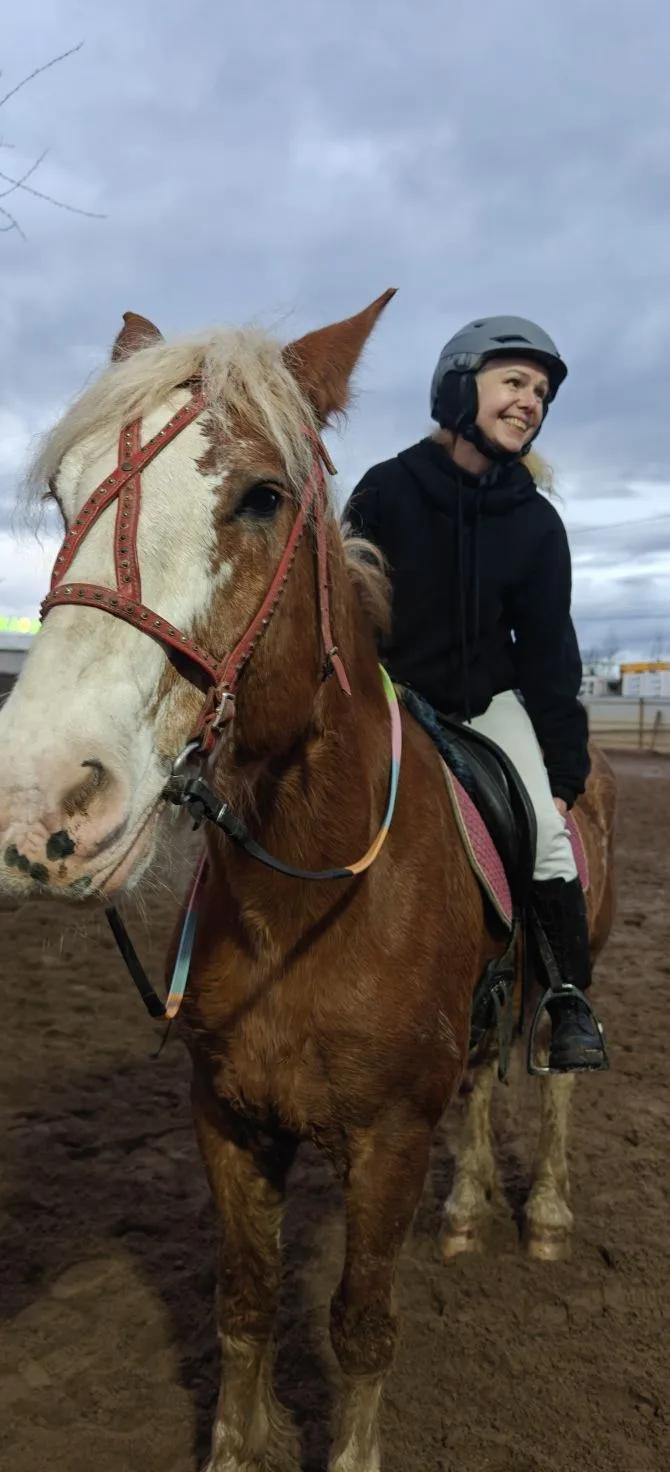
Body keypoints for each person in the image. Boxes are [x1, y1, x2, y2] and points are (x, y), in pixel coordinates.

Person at [344, 316, 605, 1073]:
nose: (531, 402)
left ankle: (564, 997)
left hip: (486, 706)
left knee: (550, 836)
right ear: (462, 386)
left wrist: (560, 777)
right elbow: (350, 609)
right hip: (389, 696)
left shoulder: (536, 523)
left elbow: (550, 652)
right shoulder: (386, 489)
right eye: (515, 383)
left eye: (542, 394)